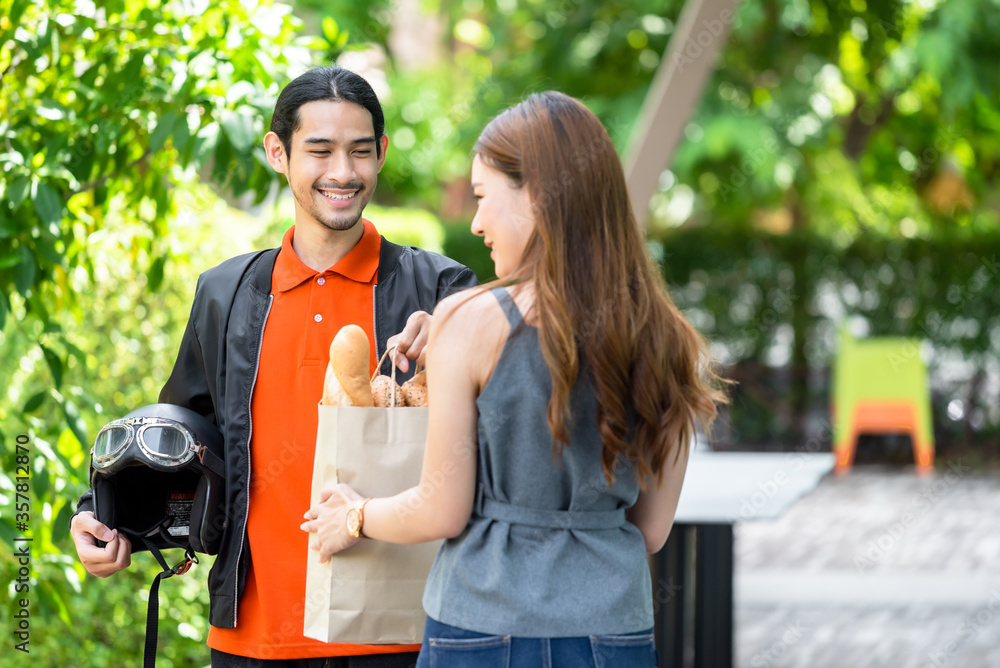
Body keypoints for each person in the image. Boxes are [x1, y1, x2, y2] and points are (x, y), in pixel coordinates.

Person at [70, 65, 478, 667]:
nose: (343, 172)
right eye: (320, 151)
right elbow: (182, 433)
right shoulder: (225, 293)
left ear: (382, 154)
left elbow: (489, 447)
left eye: (360, 152)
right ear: (277, 153)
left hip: (401, 633)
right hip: (252, 636)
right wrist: (102, 518)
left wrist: (448, 350)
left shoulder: (442, 290)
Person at [301, 91, 727, 667]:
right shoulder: (667, 335)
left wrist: (353, 513)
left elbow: (441, 510)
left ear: (538, 195)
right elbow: (650, 530)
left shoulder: (468, 322)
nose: (475, 223)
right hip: (613, 631)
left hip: (482, 627)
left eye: (482, 197)